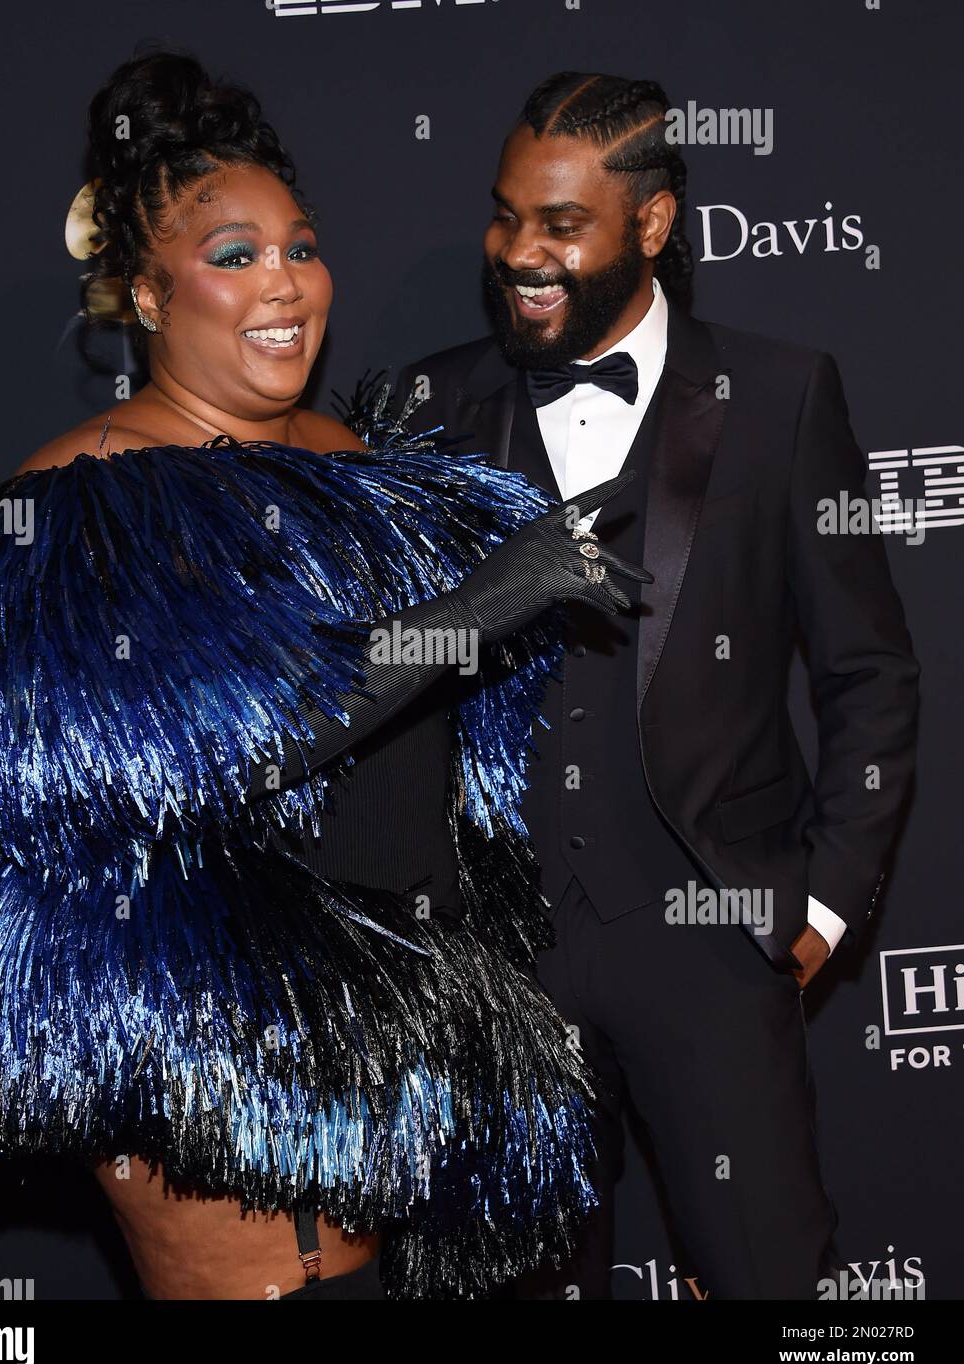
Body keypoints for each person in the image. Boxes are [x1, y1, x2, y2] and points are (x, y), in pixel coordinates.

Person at [0, 52, 653, 1302]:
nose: (284, 282)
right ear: (144, 290)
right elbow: (229, 736)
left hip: (422, 1060)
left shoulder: (351, 452)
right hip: (246, 1069)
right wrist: (483, 599)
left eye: (298, 246)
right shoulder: (90, 499)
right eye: (233, 256)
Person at [393, 70, 919, 1299]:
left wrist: (824, 906)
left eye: (559, 224)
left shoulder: (783, 396)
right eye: (504, 214)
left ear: (652, 223)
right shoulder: (423, 406)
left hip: (711, 947)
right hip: (498, 967)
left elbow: (869, 670)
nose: (519, 252)